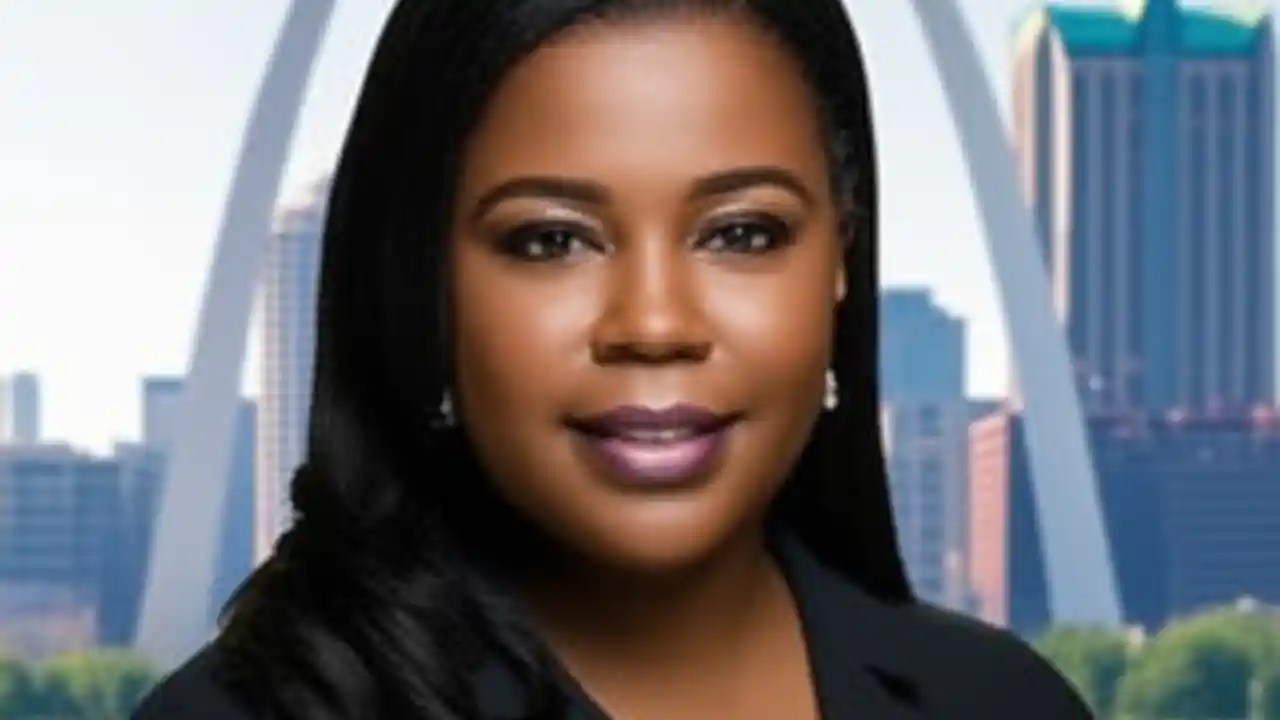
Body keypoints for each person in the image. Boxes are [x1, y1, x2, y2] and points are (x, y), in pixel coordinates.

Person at [133, 0, 1095, 718]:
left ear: (840, 260)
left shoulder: (1005, 703)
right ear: (423, 281)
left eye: (743, 233)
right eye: (551, 240)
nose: (655, 323)